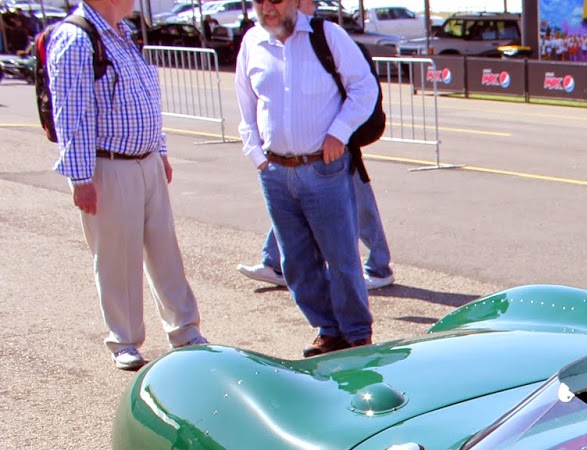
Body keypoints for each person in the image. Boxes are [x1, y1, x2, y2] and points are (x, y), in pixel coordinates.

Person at [48, 0, 206, 370]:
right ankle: (124, 340)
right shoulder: (76, 39)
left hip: (145, 160)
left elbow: (148, 97)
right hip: (110, 165)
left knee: (165, 251)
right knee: (117, 257)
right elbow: (71, 115)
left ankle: (184, 329)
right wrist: (81, 178)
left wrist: (160, 150)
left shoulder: (123, 33)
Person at [236, 0, 378, 357]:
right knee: (296, 263)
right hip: (275, 173)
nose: (267, 8)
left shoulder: (327, 36)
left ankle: (357, 334)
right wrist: (257, 155)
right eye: (259, 1)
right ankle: (328, 329)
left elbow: (364, 87)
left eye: (275, 0)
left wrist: (339, 133)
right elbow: (246, 106)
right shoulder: (252, 42)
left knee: (341, 256)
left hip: (323, 168)